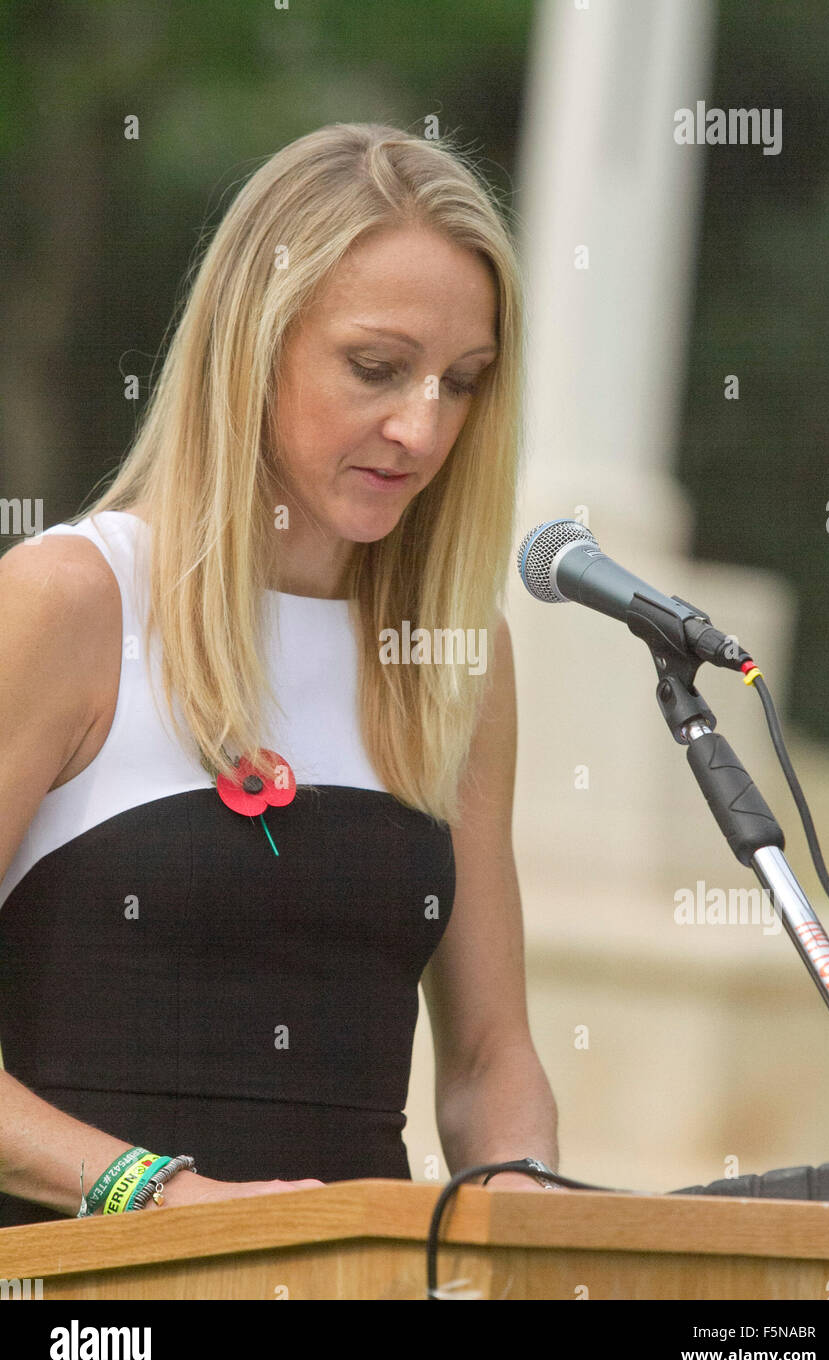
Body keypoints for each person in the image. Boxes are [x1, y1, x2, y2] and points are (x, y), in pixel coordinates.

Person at [0, 122, 558, 1227]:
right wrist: (161, 1194)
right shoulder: (68, 602)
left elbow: (489, 1062)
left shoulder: (458, 656)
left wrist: (531, 1213)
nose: (421, 424)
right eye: (376, 368)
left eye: (463, 382)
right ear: (251, 342)